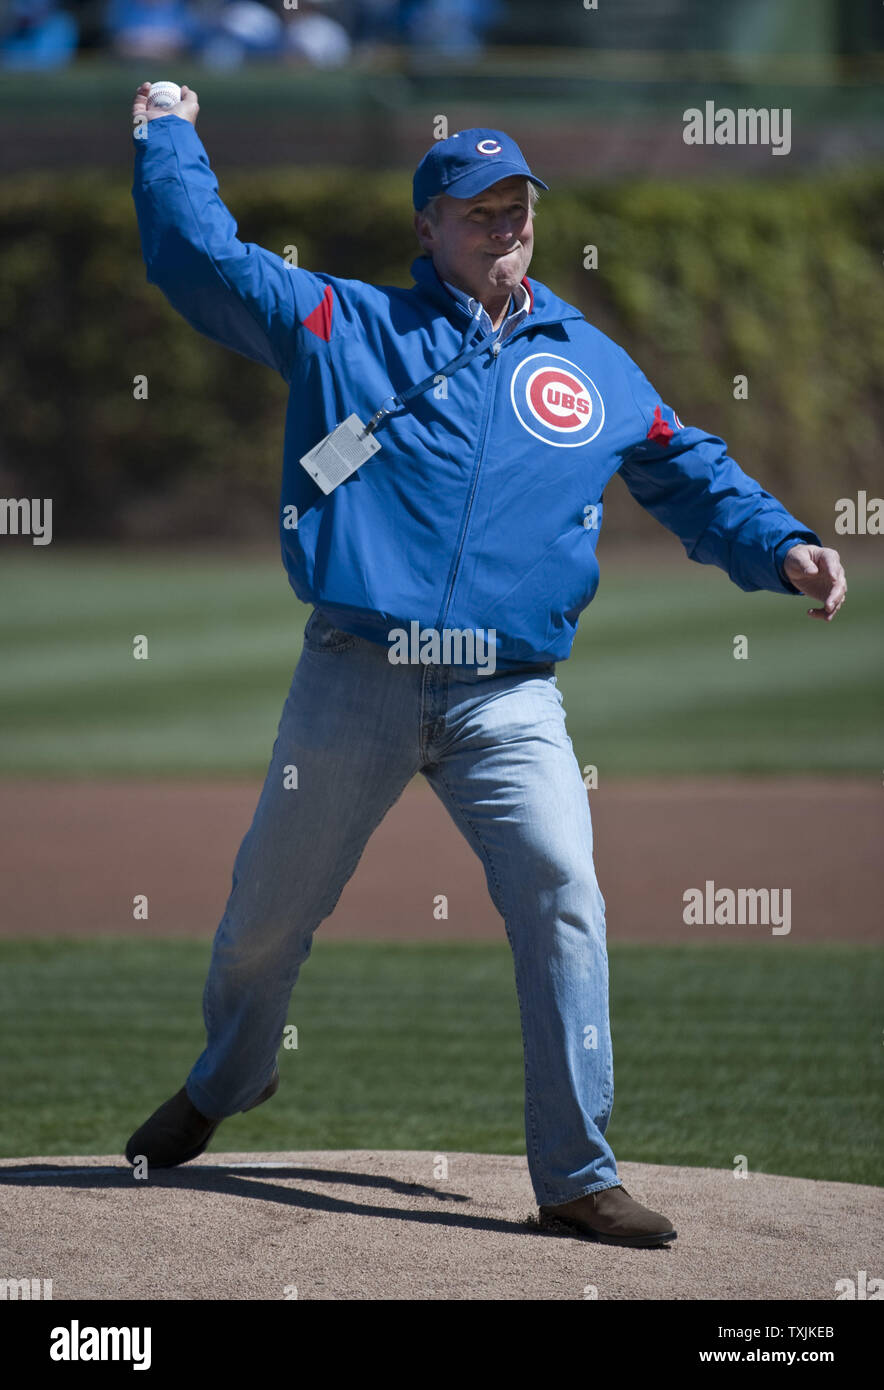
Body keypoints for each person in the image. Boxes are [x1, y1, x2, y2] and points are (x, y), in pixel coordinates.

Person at [124, 84, 847, 1248]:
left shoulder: (593, 366)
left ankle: (574, 1174)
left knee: (562, 894)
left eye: (518, 207)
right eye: (476, 210)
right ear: (427, 228)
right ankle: (226, 1081)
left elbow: (690, 471)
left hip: (507, 696)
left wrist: (781, 545)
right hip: (354, 673)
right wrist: (166, 129)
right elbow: (197, 256)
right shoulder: (341, 325)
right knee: (264, 919)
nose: (504, 225)